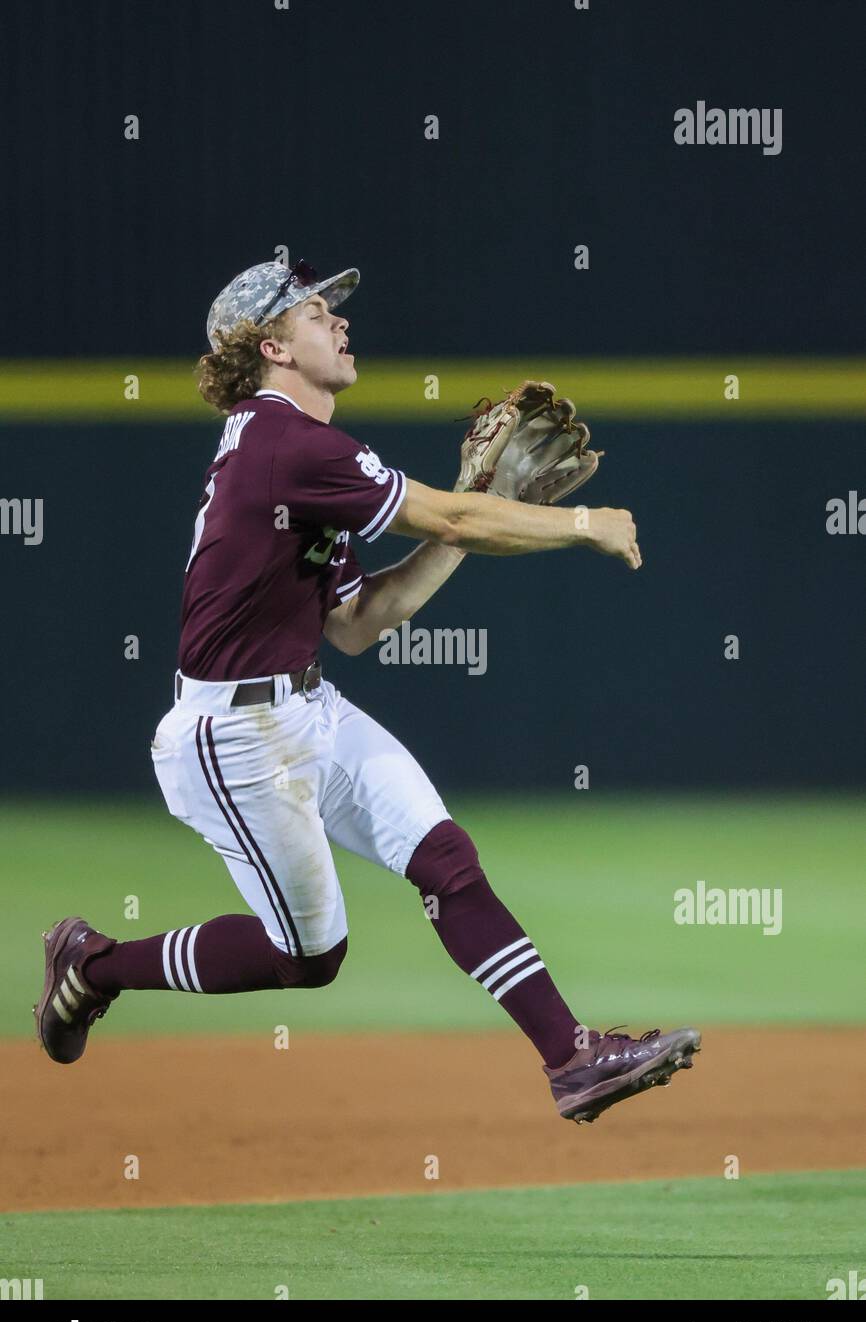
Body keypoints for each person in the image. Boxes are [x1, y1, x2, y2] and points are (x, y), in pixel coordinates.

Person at [35, 257, 700, 1123]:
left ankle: (572, 1059)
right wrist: (580, 522)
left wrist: (478, 502)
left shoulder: (300, 451)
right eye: (317, 313)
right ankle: (95, 966)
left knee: (446, 862)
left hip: (309, 706)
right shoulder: (285, 443)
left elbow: (360, 621)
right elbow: (452, 518)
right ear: (272, 347)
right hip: (233, 738)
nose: (341, 323)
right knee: (309, 958)